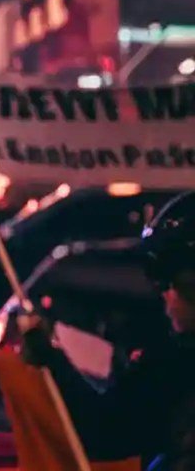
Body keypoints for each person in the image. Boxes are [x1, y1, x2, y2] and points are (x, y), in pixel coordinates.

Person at [20, 190, 195, 471]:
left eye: (167, 280)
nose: (164, 295)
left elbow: (108, 429)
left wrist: (52, 363)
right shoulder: (171, 358)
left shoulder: (174, 363)